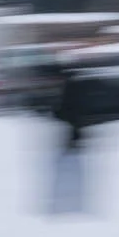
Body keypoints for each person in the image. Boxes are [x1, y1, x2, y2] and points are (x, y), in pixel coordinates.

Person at [45, 59, 94, 214]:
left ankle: (68, 204)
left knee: (68, 171)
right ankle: (73, 202)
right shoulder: (76, 86)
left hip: (72, 135)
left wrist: (54, 113)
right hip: (75, 134)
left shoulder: (69, 89)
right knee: (73, 169)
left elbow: (66, 111)